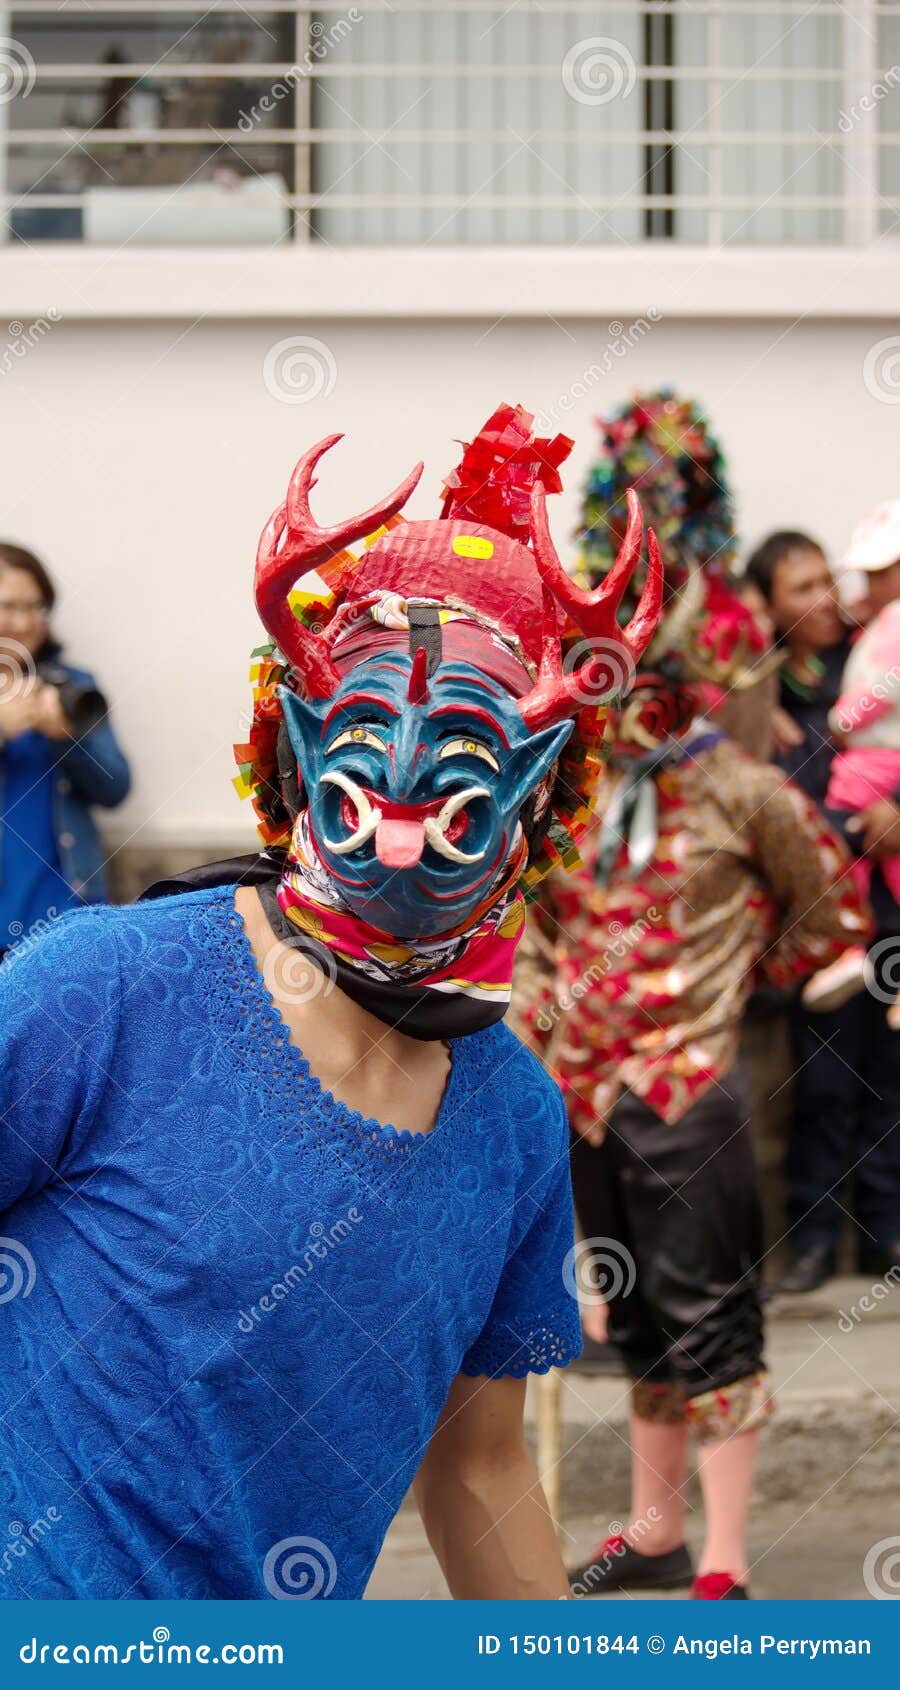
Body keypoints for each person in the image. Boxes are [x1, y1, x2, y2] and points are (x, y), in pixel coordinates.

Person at [0, 404, 663, 1601]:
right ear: (299, 743)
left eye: (466, 738)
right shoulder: (101, 989)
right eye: (369, 724)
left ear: (543, 784)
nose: (405, 785)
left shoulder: (511, 1116)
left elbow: (477, 1469)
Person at [521, 392, 869, 1601]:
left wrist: (759, 979)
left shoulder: (738, 786)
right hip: (583, 1098)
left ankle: (721, 1559)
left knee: (712, 1315)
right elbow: (537, 933)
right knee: (637, 1329)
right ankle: (654, 1532)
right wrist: (534, 1027)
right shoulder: (564, 796)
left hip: (692, 1087)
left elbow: (827, 897)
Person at [0, 542, 130, 962]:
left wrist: (66, 736)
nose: (24, 622)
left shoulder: (74, 686)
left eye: (36, 607)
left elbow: (115, 788)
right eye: (9, 606)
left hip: (69, 923)